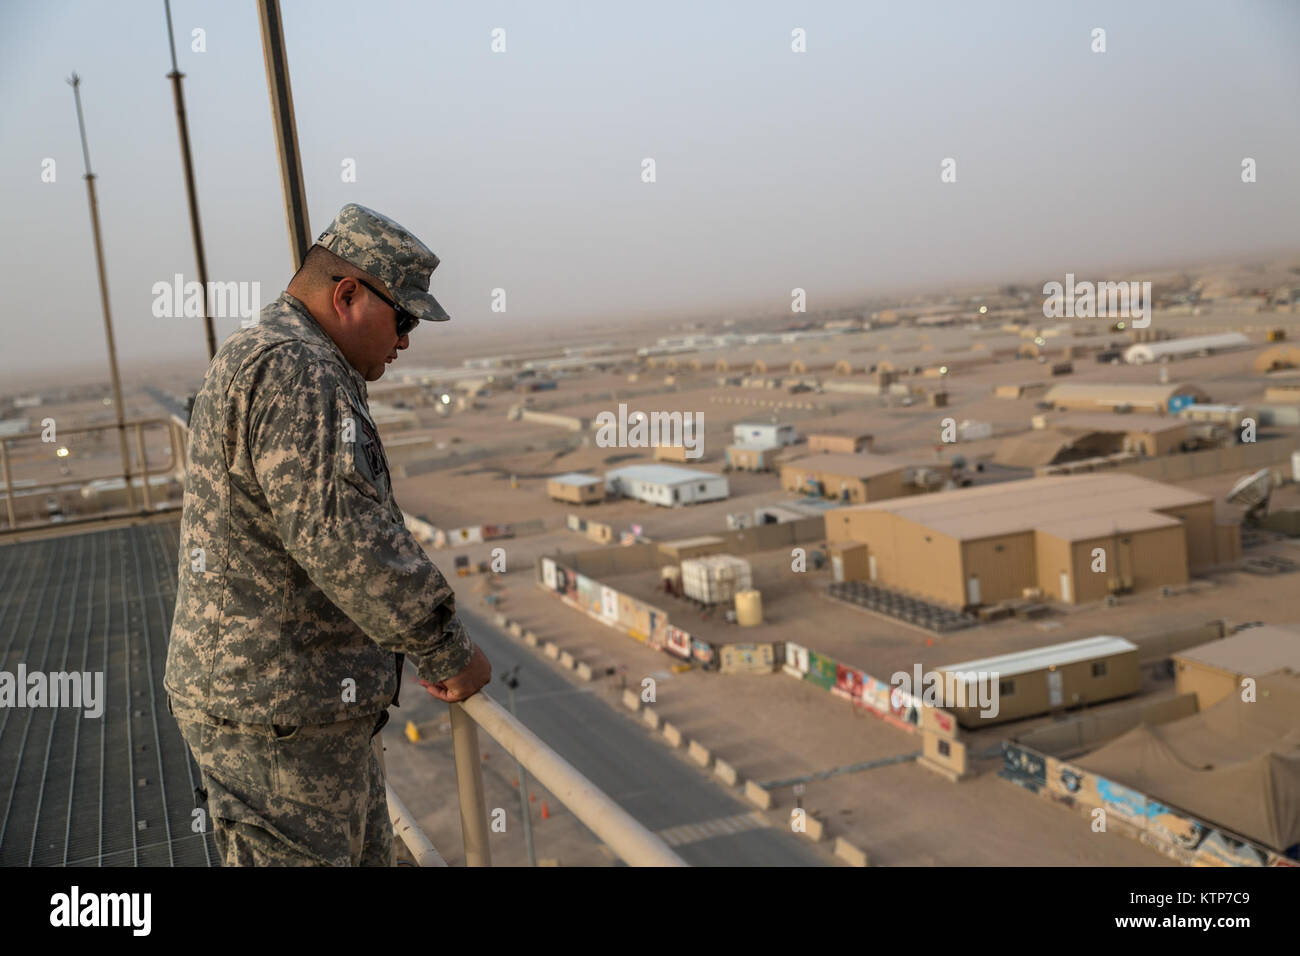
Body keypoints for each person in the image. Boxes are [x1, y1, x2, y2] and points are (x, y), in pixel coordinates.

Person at [165, 203, 491, 866]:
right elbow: (344, 537)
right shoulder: (299, 370)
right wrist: (445, 649)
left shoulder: (261, 352)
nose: (404, 342)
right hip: (277, 723)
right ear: (346, 295)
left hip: (283, 712)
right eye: (401, 319)